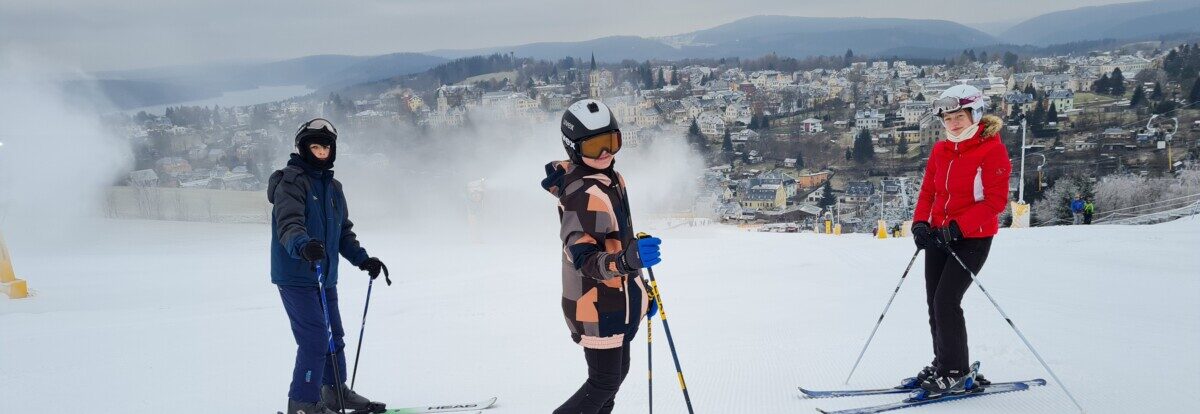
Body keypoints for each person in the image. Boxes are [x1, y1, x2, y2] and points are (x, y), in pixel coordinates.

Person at [541, 99, 662, 414]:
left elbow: (617, 242)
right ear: (574, 148)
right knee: (604, 383)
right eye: (595, 146)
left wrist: (641, 293)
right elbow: (585, 260)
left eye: (611, 141)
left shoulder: (612, 181)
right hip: (594, 305)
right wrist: (627, 261)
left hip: (616, 302)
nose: (605, 153)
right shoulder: (582, 195)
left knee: (614, 377)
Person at [269, 118, 390, 414]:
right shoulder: (291, 182)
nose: (321, 151)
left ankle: (334, 392)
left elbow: (342, 232)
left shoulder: (333, 188)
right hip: (297, 276)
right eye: (315, 146)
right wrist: (303, 244)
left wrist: (363, 259)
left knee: (334, 337)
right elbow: (289, 224)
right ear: (303, 147)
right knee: (313, 341)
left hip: (327, 277)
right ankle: (303, 404)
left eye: (326, 147)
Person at [909, 85, 1012, 399]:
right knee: (933, 303)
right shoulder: (941, 150)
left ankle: (955, 372)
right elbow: (929, 191)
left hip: (973, 238)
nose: (953, 123)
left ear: (975, 114)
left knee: (946, 301)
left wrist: (957, 228)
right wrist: (920, 223)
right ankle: (944, 363)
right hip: (940, 236)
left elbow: (995, 202)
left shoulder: (991, 150)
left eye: (959, 116)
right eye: (948, 117)